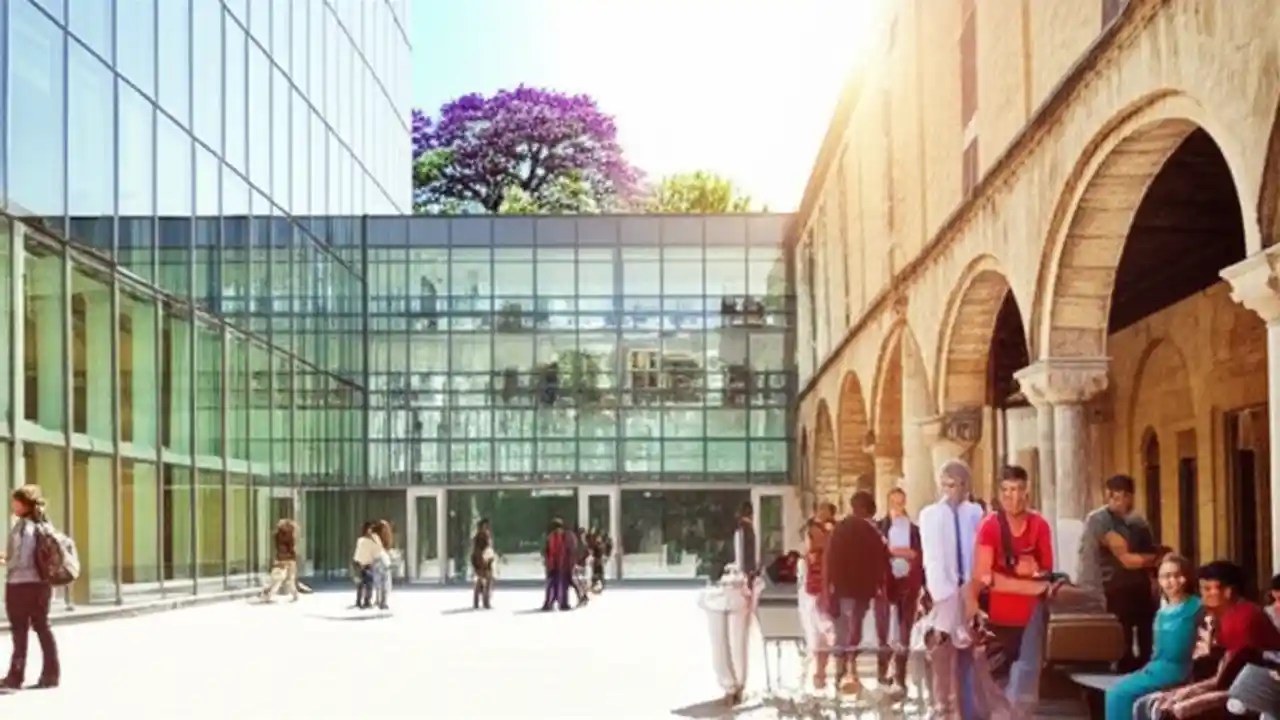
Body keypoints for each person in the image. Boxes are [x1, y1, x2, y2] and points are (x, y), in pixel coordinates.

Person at [1135, 561, 1280, 719]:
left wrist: (1186, 694)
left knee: (1173, 711)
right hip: (1234, 685)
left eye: (1207, 589)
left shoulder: (1243, 618)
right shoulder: (1224, 616)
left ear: (1227, 592)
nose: (1203, 596)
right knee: (1150, 704)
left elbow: (1228, 678)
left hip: (1253, 693)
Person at [969, 464, 1057, 714]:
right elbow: (986, 575)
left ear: (1027, 492)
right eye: (1007, 490)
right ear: (999, 493)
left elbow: (1046, 573)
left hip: (1031, 617)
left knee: (1027, 684)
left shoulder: (1039, 525)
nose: (1013, 497)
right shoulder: (990, 526)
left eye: (1018, 489)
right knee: (994, 683)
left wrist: (1027, 577)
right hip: (998, 617)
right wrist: (1028, 581)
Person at [919, 460, 984, 718]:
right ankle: (942, 705)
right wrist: (940, 592)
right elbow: (931, 555)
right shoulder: (930, 514)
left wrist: (974, 586)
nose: (953, 490)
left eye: (958, 484)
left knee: (968, 648)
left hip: (969, 588)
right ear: (941, 485)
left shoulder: (975, 512)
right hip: (943, 590)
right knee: (942, 648)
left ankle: (965, 707)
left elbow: (977, 549)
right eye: (948, 484)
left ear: (966, 485)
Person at [1080, 474, 1164, 671]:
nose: (1121, 501)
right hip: (1110, 585)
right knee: (1122, 635)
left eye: (1125, 496)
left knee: (1146, 629)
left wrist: (1153, 575)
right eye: (1115, 496)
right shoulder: (1099, 520)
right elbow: (1126, 559)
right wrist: (1158, 558)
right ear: (1108, 496)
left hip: (1138, 584)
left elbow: (1148, 555)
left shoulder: (1138, 522)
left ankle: (1145, 665)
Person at [1104, 554, 1203, 719]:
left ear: (1186, 578)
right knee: (1115, 691)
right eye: (1165, 576)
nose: (1171, 581)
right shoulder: (1162, 611)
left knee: (1119, 694)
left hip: (1177, 670)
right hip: (1155, 667)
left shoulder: (1196, 607)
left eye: (1177, 575)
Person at [824, 490, 891, 700]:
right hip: (862, 590)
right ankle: (851, 670)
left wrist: (829, 588)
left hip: (842, 589)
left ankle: (841, 673)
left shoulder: (839, 529)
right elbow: (880, 561)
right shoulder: (872, 532)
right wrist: (878, 585)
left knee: (842, 632)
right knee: (855, 630)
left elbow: (830, 559)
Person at [3, 485, 60, 690]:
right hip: (41, 585)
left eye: (15, 502)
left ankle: (15, 676)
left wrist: (5, 561)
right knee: (42, 627)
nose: (12, 505)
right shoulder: (44, 524)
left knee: (19, 631)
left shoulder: (24, 528)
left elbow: (20, 560)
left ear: (24, 504)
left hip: (20, 585)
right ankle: (51, 674)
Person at [875, 486, 924, 701]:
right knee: (884, 629)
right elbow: (877, 554)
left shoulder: (914, 530)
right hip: (886, 584)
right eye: (893, 502)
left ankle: (900, 676)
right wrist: (894, 553)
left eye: (900, 502)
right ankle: (882, 673)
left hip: (908, 584)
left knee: (904, 629)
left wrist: (905, 553)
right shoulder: (880, 528)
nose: (897, 506)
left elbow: (919, 554)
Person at [799, 502, 837, 690]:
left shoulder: (831, 532)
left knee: (825, 629)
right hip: (813, 586)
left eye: (825, 510)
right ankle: (819, 671)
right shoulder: (812, 530)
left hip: (826, 586)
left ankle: (822, 671)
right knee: (817, 630)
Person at [260, 518, 300, 603]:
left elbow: (277, 547)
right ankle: (295, 595)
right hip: (290, 559)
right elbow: (292, 547)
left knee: (277, 579)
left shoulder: (277, 535)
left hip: (280, 558)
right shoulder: (291, 535)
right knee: (290, 579)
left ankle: (268, 595)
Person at [542, 518, 572, 611]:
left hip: (558, 564)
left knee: (557, 585)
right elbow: (553, 552)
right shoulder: (554, 537)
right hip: (556, 565)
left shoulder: (558, 537)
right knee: (555, 585)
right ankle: (556, 603)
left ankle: (555, 603)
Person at [352, 521, 379, 609]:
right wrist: (358, 563)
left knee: (368, 584)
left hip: (368, 564)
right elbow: (359, 552)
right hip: (361, 564)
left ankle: (367, 601)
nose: (371, 531)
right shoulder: (361, 540)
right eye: (370, 528)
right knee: (361, 584)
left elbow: (376, 552)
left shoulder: (373, 541)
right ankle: (359, 601)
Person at [471, 518, 495, 610]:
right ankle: (485, 602)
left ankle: (478, 602)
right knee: (484, 581)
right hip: (482, 562)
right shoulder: (482, 537)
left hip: (482, 562)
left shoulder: (480, 536)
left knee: (480, 582)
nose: (487, 528)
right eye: (485, 526)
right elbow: (482, 550)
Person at [371, 520, 395, 611]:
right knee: (383, 582)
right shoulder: (380, 538)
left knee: (381, 582)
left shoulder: (375, 537)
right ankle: (382, 601)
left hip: (380, 561)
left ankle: (381, 601)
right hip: (381, 561)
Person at [733, 501, 758, 581]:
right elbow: (745, 549)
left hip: (745, 567)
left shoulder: (742, 528)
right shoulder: (745, 528)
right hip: (746, 567)